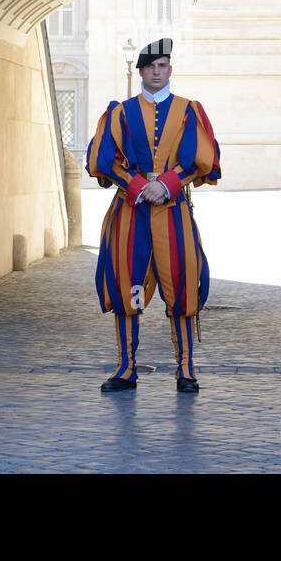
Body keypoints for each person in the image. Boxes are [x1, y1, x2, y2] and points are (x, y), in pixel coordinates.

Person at [86, 37, 221, 393]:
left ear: (169, 69)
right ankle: (126, 368)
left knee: (180, 285)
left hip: (173, 213)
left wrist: (169, 184)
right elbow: (104, 160)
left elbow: (201, 161)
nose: (156, 72)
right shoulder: (120, 112)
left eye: (162, 66)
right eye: (150, 67)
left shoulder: (189, 110)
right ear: (141, 70)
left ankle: (186, 369)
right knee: (127, 286)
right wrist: (135, 185)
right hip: (130, 212)